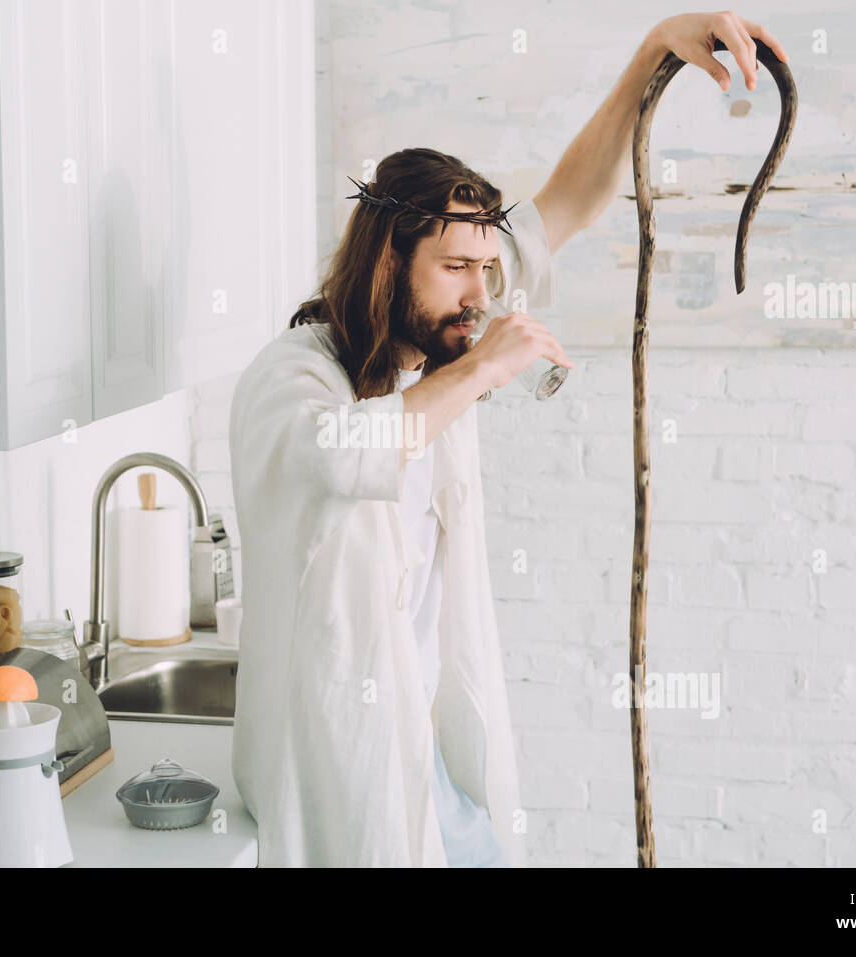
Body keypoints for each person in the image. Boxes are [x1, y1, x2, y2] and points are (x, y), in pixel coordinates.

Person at [228, 12, 788, 867]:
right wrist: (484, 370)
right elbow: (343, 449)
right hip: (336, 765)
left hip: (426, 760)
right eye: (458, 268)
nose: (481, 292)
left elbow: (570, 198)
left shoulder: (442, 330)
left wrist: (650, 53)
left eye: (489, 269)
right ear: (388, 264)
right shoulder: (292, 379)